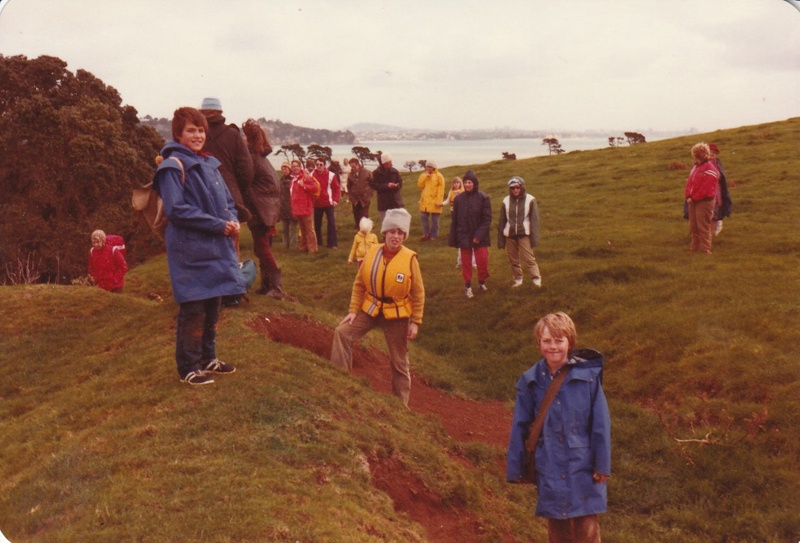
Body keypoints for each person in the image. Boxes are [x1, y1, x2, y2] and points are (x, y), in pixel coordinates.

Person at [153, 107, 246, 385]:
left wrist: (231, 219)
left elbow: (228, 203)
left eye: (201, 130)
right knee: (193, 308)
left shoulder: (209, 164)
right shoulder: (171, 167)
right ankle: (188, 367)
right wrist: (219, 225)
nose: (197, 135)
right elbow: (177, 209)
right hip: (190, 249)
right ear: (178, 133)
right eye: (191, 130)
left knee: (214, 303)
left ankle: (208, 357)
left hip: (215, 247)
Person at [506, 312, 611, 543]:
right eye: (547, 341)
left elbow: (600, 424)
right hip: (549, 465)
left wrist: (602, 464)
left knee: (587, 530)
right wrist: (516, 469)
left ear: (569, 343)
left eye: (559, 340)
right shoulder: (530, 381)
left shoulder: (589, 377)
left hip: (583, 465)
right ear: (538, 343)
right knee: (558, 530)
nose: (553, 347)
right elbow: (520, 426)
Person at [330, 208, 424, 407]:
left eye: (400, 233)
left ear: (404, 236)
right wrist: (353, 311)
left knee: (399, 362)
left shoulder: (410, 259)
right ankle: (340, 384)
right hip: (370, 307)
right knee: (342, 333)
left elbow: (418, 292)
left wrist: (415, 322)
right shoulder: (372, 252)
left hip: (397, 314)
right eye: (392, 231)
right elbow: (359, 284)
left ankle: (400, 406)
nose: (395, 236)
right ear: (384, 233)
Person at [199, 97, 254, 240]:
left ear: (201, 112)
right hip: (229, 198)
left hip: (201, 196)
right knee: (230, 247)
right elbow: (246, 170)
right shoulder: (233, 134)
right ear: (220, 112)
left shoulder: (196, 135)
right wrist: (236, 189)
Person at [241, 119, 285, 298]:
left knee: (262, 247)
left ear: (248, 137)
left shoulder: (251, 157)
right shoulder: (261, 156)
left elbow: (245, 180)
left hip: (260, 208)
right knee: (262, 247)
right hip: (267, 207)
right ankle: (266, 285)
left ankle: (275, 287)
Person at [448, 169, 491, 298]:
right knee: (466, 264)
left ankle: (481, 281)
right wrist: (454, 238)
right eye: (465, 182)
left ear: (475, 183)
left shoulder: (484, 198)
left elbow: (487, 219)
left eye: (470, 182)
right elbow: (454, 220)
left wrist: (478, 236)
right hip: (464, 236)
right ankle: (467, 286)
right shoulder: (458, 199)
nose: (467, 184)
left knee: (482, 261)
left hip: (480, 237)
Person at [498, 176, 542, 288]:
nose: (515, 190)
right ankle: (518, 279)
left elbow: (534, 221)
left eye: (517, 187)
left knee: (529, 258)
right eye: (512, 188)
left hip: (524, 235)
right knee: (513, 259)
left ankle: (536, 279)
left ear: (521, 187)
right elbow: (502, 221)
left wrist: (534, 238)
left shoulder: (530, 200)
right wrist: (501, 240)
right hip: (510, 235)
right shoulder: (506, 201)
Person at [684, 143, 720, 254]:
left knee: (703, 226)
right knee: (694, 226)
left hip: (704, 201)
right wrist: (688, 196)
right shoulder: (696, 167)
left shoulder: (710, 169)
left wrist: (693, 198)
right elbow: (690, 183)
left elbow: (705, 188)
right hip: (693, 200)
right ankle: (694, 247)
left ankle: (705, 249)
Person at [290, 159, 320, 254]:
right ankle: (303, 247)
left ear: (300, 167)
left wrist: (304, 185)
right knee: (302, 230)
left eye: (297, 166)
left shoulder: (305, 177)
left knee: (309, 230)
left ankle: (313, 249)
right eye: (293, 166)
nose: (295, 168)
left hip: (306, 207)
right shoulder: (293, 180)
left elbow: (315, 188)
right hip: (298, 208)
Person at [311, 158, 341, 249]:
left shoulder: (331, 175)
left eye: (321, 164)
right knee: (317, 224)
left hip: (328, 203)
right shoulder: (312, 175)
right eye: (317, 164)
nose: (319, 166)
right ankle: (318, 242)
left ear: (324, 165)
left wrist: (335, 200)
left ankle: (332, 244)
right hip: (316, 203)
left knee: (331, 223)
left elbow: (336, 188)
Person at [417, 160, 445, 241]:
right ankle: (426, 234)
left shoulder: (439, 176)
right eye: (427, 167)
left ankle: (434, 235)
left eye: (430, 167)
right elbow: (420, 185)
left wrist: (439, 201)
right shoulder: (423, 175)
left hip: (435, 201)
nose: (428, 168)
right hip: (425, 202)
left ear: (433, 168)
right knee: (424, 218)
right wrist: (426, 176)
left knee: (435, 220)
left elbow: (441, 190)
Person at [371, 152, 404, 221]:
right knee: (385, 224)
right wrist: (387, 186)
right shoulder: (376, 173)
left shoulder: (395, 171)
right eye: (390, 162)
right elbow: (374, 185)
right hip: (384, 202)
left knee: (397, 223)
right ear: (384, 163)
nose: (391, 163)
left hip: (395, 202)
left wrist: (396, 186)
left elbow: (400, 183)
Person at [708, 143, 732, 236]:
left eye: (714, 152)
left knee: (716, 215)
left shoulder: (717, 163)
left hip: (717, 193)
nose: (712, 154)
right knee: (708, 216)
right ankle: (705, 238)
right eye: (710, 152)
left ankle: (709, 237)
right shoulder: (701, 163)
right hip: (707, 194)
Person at [346, 157, 374, 229]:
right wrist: (350, 196)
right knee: (356, 214)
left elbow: (372, 183)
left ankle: (366, 228)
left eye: (354, 167)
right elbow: (348, 186)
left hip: (365, 197)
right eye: (351, 167)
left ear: (358, 164)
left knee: (364, 214)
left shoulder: (367, 172)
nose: (353, 168)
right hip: (355, 198)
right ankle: (358, 228)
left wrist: (370, 193)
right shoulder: (350, 175)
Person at [279, 161, 298, 248]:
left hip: (292, 207)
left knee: (293, 228)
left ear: (289, 169)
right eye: (283, 168)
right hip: (283, 208)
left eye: (286, 168)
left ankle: (292, 246)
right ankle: (285, 245)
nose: (284, 170)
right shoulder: (281, 179)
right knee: (284, 229)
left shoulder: (293, 179)